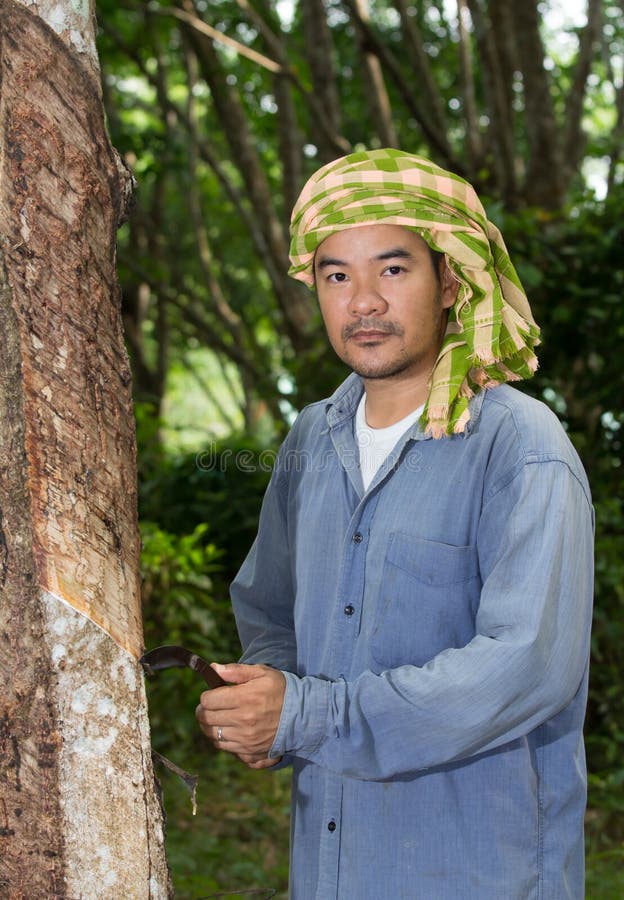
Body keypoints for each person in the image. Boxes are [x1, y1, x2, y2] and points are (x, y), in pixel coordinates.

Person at [196, 149, 594, 899]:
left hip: (479, 873)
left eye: (393, 269)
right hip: (331, 867)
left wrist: (309, 716)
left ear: (449, 280)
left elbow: (525, 667)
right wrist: (268, 700)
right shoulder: (312, 438)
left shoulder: (519, 445)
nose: (363, 302)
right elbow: (267, 605)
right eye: (336, 275)